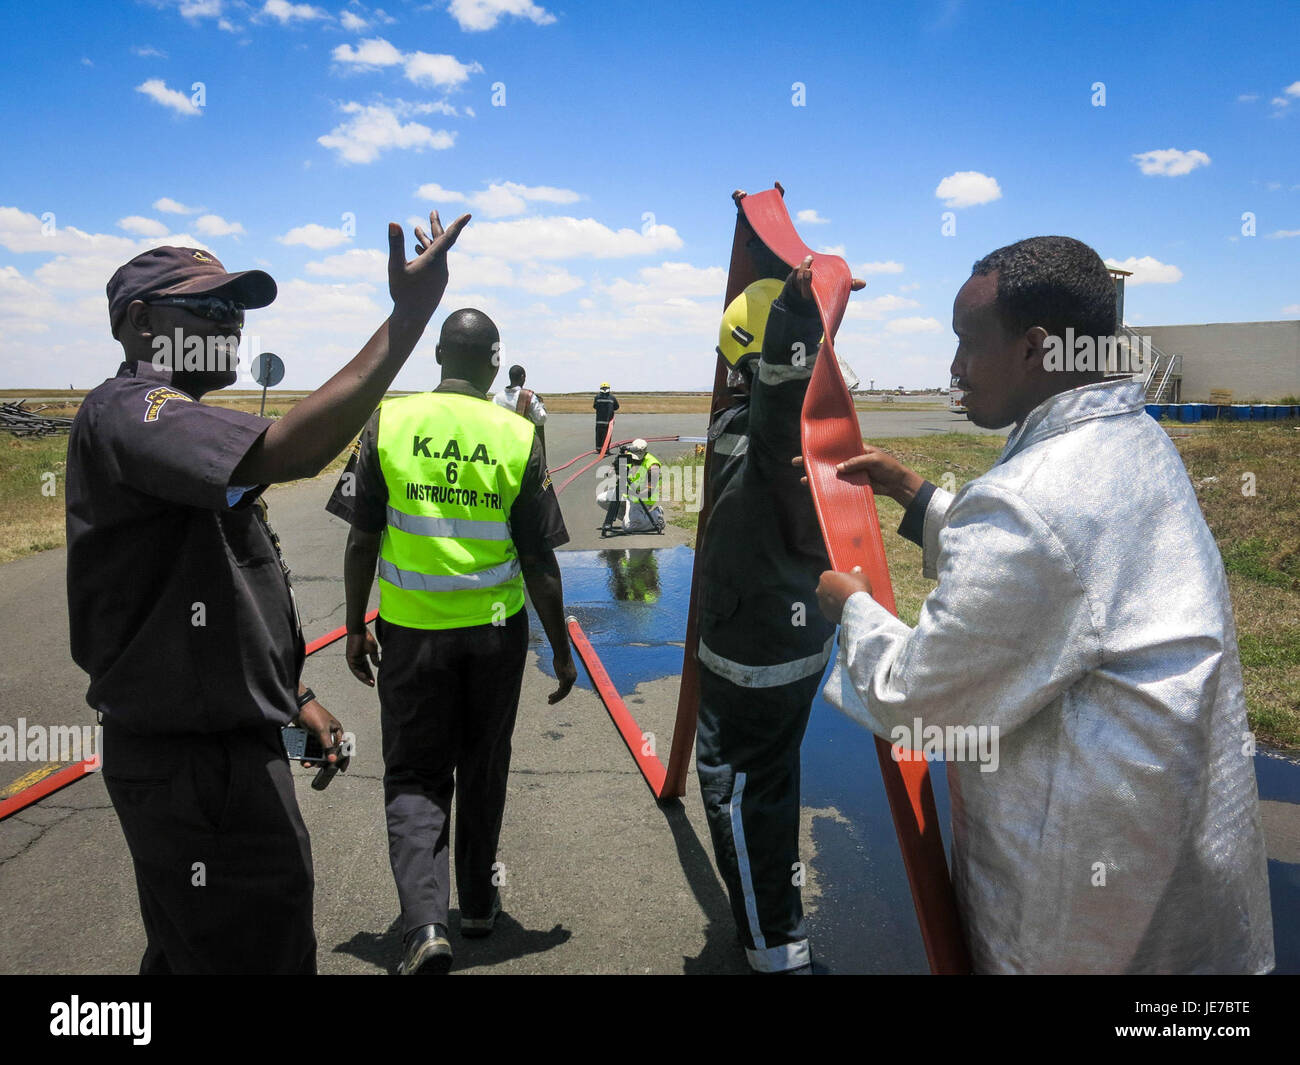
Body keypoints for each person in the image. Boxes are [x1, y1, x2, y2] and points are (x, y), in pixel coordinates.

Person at [814, 236, 1275, 974]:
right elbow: (1061, 571)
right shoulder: (1133, 441)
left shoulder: (1034, 502)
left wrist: (854, 607)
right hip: (1178, 874)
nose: (954, 367)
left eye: (967, 343)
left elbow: (920, 699)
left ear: (1034, 348)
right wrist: (921, 496)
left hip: (1086, 911)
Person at [65, 208, 470, 974]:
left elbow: (220, 582)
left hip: (222, 746)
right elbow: (293, 448)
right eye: (211, 309)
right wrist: (409, 318)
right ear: (139, 321)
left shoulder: (179, 426)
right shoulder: (132, 411)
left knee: (205, 947)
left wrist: (293, 693)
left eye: (237, 311)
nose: (232, 326)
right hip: (197, 766)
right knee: (253, 951)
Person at [330, 308, 577, 976]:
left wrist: (355, 625)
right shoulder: (518, 433)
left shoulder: (389, 422)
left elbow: (360, 537)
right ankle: (476, 905)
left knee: (415, 772)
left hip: (412, 636)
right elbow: (540, 560)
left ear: (437, 355)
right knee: (483, 762)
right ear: (495, 363)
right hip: (497, 639)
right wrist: (559, 646)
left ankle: (426, 925)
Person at [695, 245, 864, 974]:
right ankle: (774, 926)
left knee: (736, 783)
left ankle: (775, 946)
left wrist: (795, 313)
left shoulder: (778, 429)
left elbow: (781, 393)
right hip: (789, 636)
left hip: (754, 650)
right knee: (772, 775)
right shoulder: (788, 429)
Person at [599, 437, 663, 535]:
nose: (634, 460)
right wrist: (612, 470)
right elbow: (615, 464)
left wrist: (635, 493)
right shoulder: (628, 456)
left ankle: (656, 516)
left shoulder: (653, 465)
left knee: (628, 527)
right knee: (601, 499)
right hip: (627, 494)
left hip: (642, 499)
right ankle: (634, 519)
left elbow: (650, 490)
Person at [493, 363, 547, 456]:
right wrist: (541, 406)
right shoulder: (529, 396)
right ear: (522, 377)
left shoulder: (497, 397)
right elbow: (540, 419)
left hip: (502, 444)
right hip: (523, 444)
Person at [593, 381, 619, 451]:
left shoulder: (597, 397)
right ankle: (606, 449)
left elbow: (594, 406)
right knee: (607, 436)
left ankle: (599, 448)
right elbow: (616, 407)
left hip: (599, 421)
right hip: (608, 421)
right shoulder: (612, 397)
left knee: (599, 435)